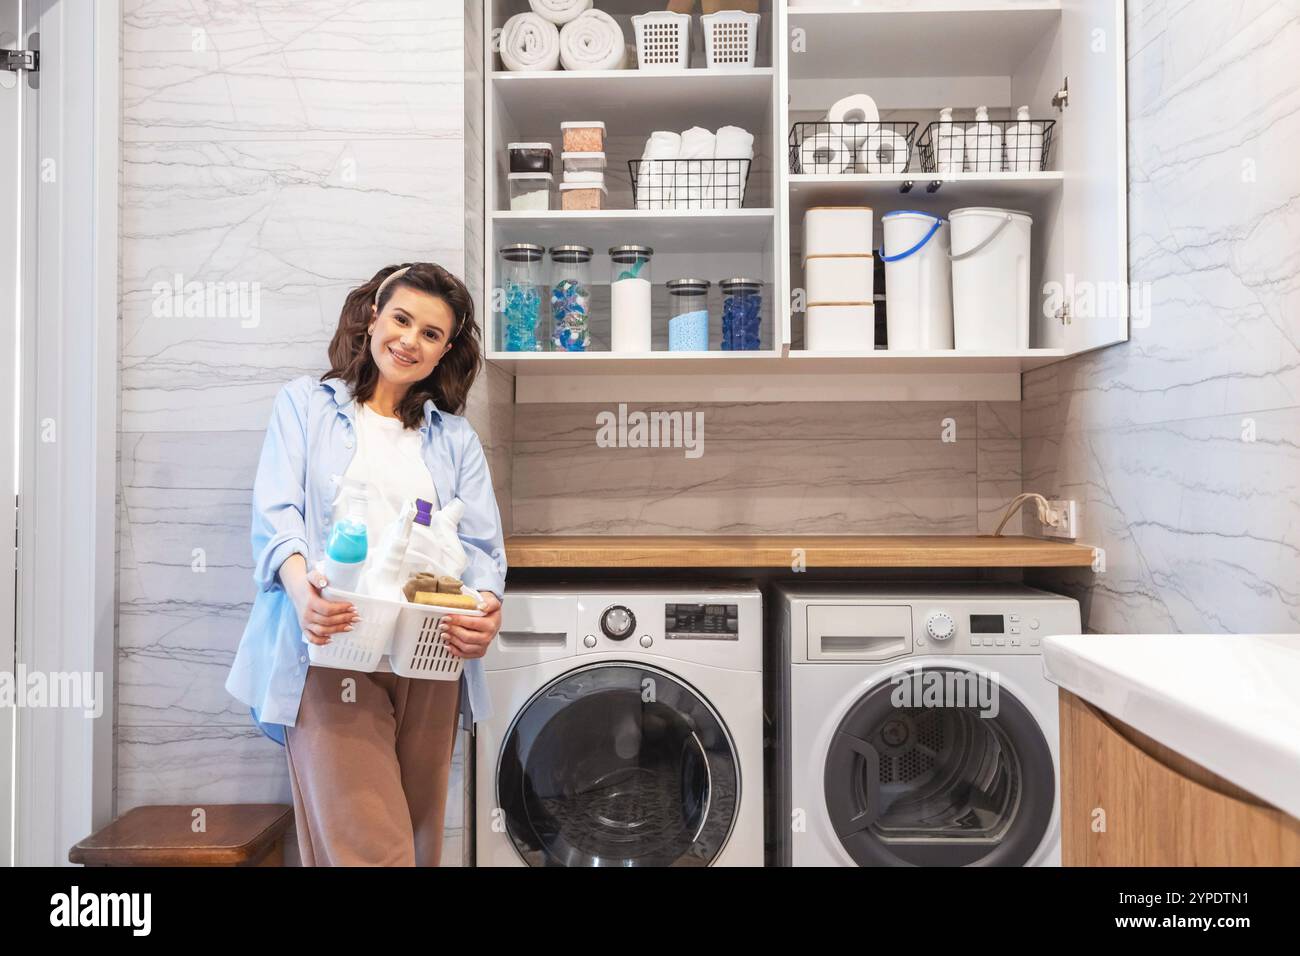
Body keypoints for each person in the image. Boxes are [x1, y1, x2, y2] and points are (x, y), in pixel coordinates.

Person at [225, 262, 506, 866]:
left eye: (431, 334)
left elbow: (483, 553)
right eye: (401, 319)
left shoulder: (455, 439)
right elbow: (278, 518)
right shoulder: (305, 405)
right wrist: (305, 597)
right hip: (331, 649)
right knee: (371, 854)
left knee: (421, 845)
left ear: (444, 351)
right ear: (372, 317)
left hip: (431, 657)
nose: (410, 341)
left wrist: (488, 611)